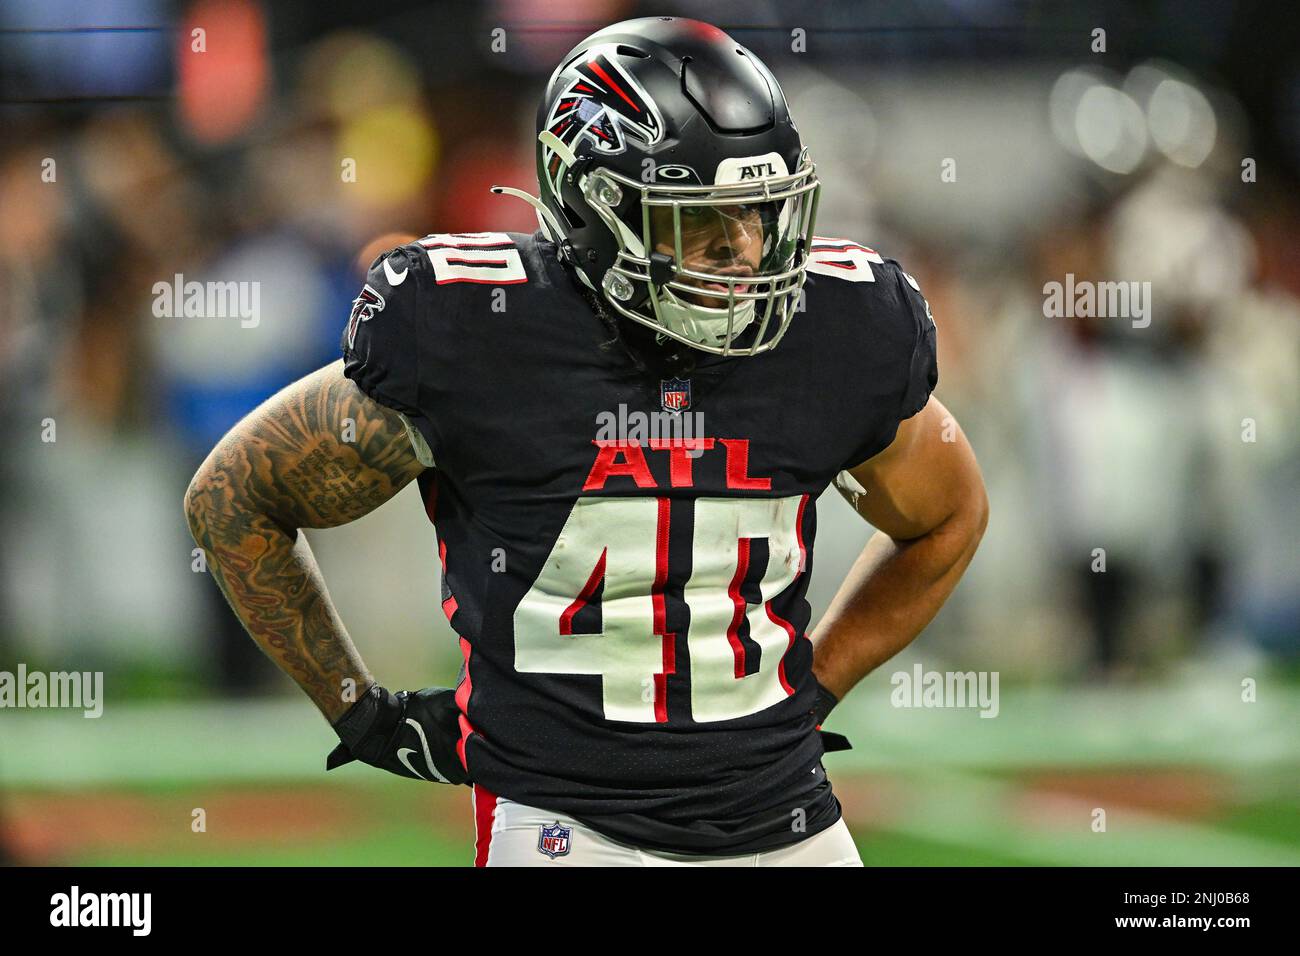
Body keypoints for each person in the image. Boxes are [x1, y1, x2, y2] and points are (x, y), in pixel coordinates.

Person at [183, 16, 988, 867]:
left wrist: (816, 682)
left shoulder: (836, 327)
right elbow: (234, 496)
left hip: (788, 817)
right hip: (569, 829)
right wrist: (360, 709)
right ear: (597, 209)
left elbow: (949, 514)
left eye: (759, 209)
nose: (747, 252)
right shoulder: (483, 330)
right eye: (700, 220)